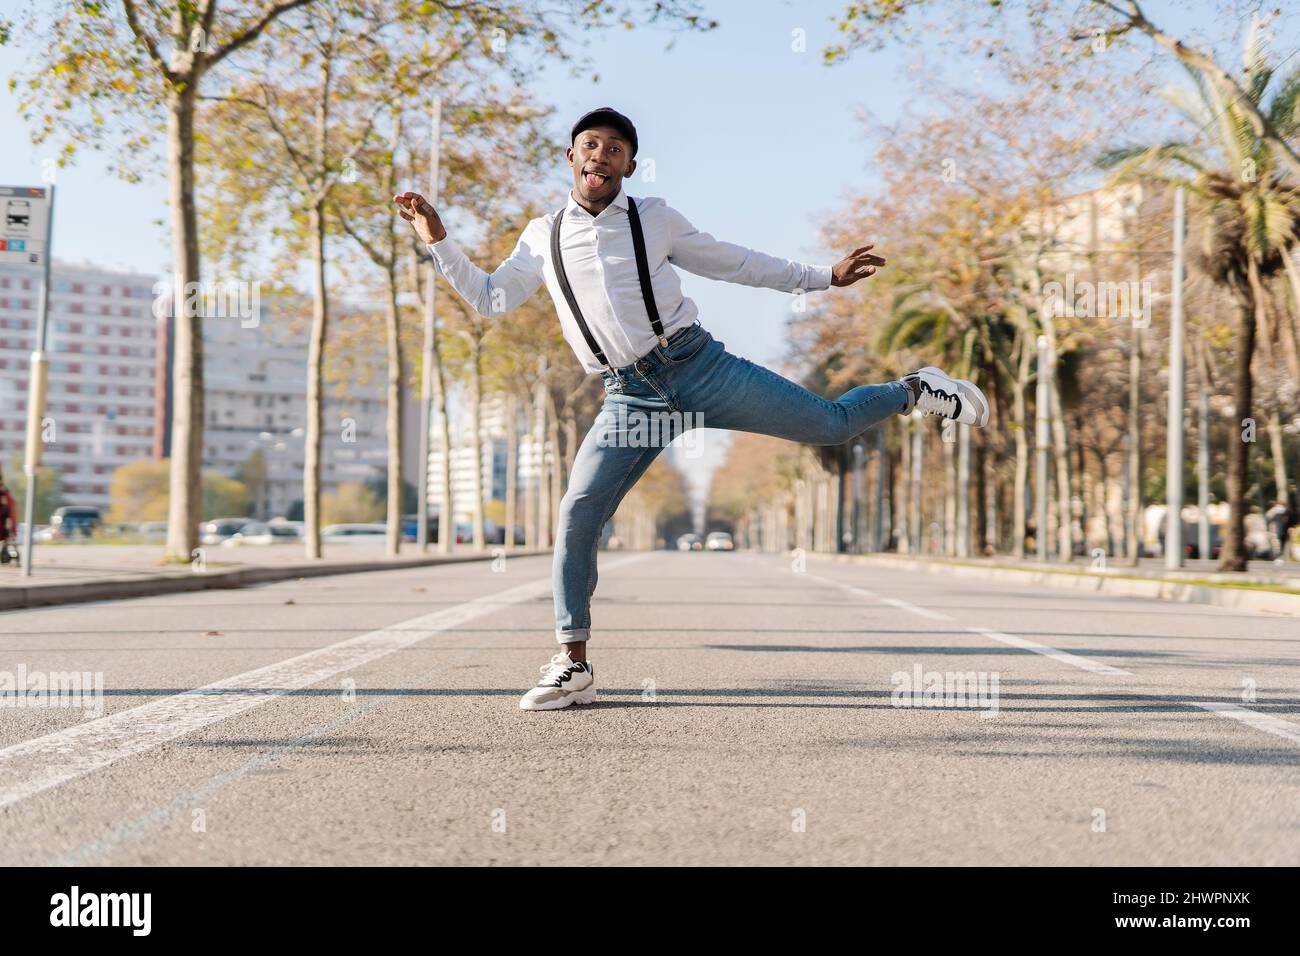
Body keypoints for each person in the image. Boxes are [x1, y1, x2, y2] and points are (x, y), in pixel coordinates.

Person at [394, 106, 989, 711]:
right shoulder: (541, 235)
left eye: (615, 149)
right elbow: (492, 298)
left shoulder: (654, 218)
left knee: (829, 426)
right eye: (590, 145)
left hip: (699, 366)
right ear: (571, 158)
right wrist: (438, 242)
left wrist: (822, 277)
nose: (601, 155)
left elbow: (731, 260)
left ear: (629, 164)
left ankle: (915, 390)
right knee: (578, 512)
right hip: (632, 396)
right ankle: (572, 664)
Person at [0, 470, 17, 565]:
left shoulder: (4, 494)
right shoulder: (5, 494)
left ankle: (6, 553)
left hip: (4, 523)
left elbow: (8, 511)